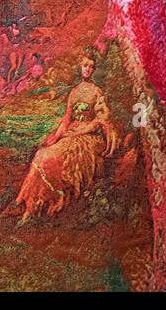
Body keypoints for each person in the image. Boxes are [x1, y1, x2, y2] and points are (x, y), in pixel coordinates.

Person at [15, 53, 119, 220]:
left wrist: (78, 132)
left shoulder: (97, 92)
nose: (88, 70)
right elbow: (66, 118)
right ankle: (30, 203)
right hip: (71, 131)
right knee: (42, 154)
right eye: (86, 66)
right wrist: (57, 135)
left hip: (87, 137)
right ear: (81, 66)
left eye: (91, 67)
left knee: (55, 158)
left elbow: (98, 122)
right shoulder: (75, 91)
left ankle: (46, 203)